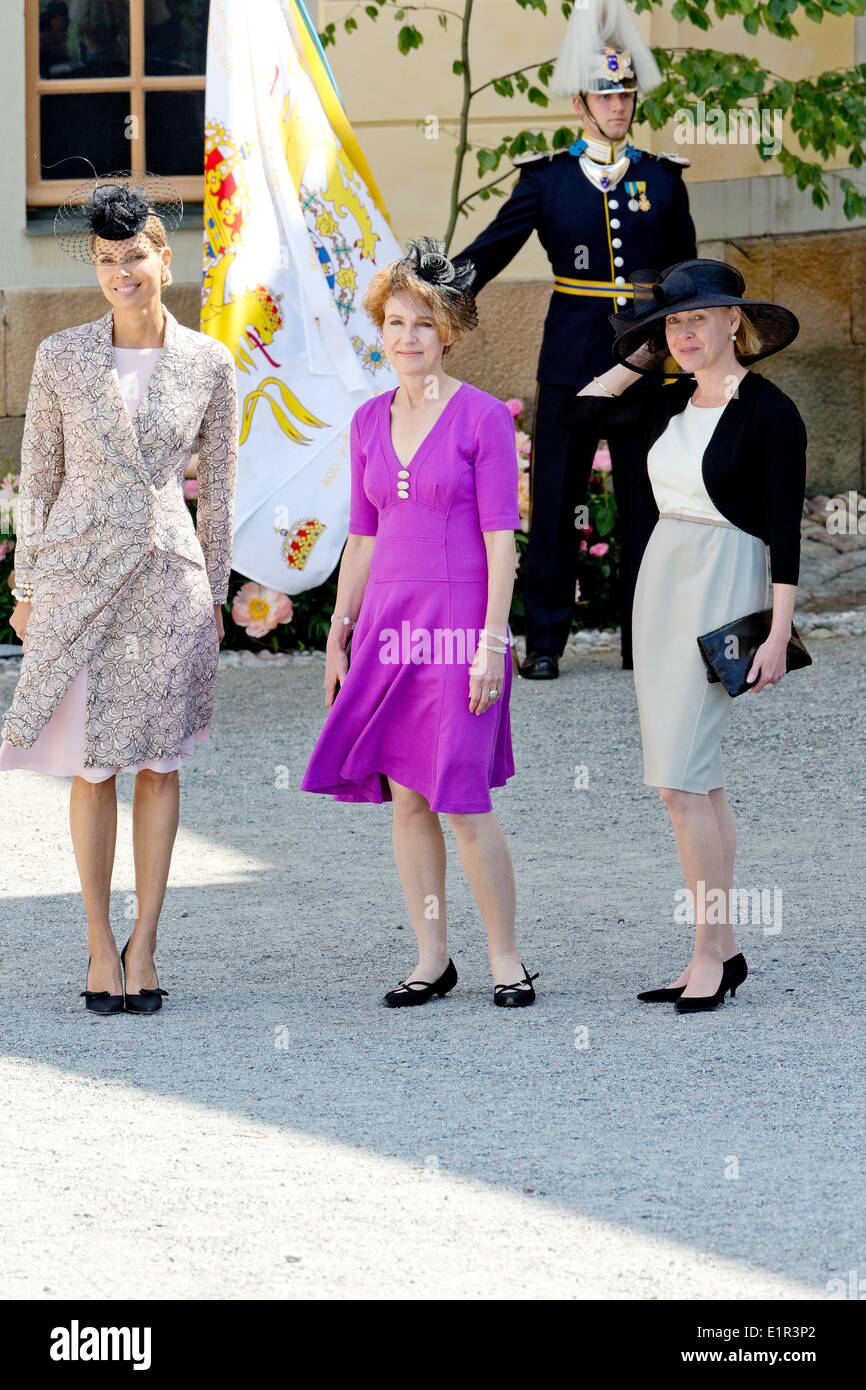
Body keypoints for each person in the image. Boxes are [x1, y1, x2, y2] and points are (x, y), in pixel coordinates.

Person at [0, 166, 239, 1016]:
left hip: (166, 583)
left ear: (164, 256)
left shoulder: (210, 362)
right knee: (93, 765)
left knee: (159, 766)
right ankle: (99, 943)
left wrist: (213, 597)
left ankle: (147, 945)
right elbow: (39, 478)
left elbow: (219, 491)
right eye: (105, 259)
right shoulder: (60, 355)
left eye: (133, 256)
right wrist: (26, 587)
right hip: (77, 578)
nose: (120, 273)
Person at [560, 258, 806, 1012]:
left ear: (736, 319)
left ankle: (708, 950)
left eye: (698, 318)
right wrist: (643, 354)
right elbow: (579, 412)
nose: (685, 334)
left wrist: (777, 632)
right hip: (661, 580)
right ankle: (723, 948)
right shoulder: (663, 401)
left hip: (724, 578)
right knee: (696, 779)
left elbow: (785, 532)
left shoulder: (771, 412)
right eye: (673, 323)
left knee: (680, 780)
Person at [301, 238, 538, 1008]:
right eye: (395, 322)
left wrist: (493, 642)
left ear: (449, 332)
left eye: (423, 324)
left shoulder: (481, 419)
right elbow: (362, 537)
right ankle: (432, 957)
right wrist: (339, 629)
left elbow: (502, 537)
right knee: (406, 800)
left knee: (462, 798)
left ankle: (506, 958)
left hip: (463, 626)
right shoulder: (368, 422)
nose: (407, 337)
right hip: (388, 629)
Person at [451, 0, 696, 677]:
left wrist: (690, 356)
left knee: (649, 503)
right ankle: (545, 643)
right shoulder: (547, 178)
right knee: (556, 499)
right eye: (605, 95)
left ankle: (642, 639)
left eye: (626, 94)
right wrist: (439, 289)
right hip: (570, 361)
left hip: (648, 360)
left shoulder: (663, 179)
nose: (618, 106)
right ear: (580, 104)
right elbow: (491, 250)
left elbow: (686, 277)